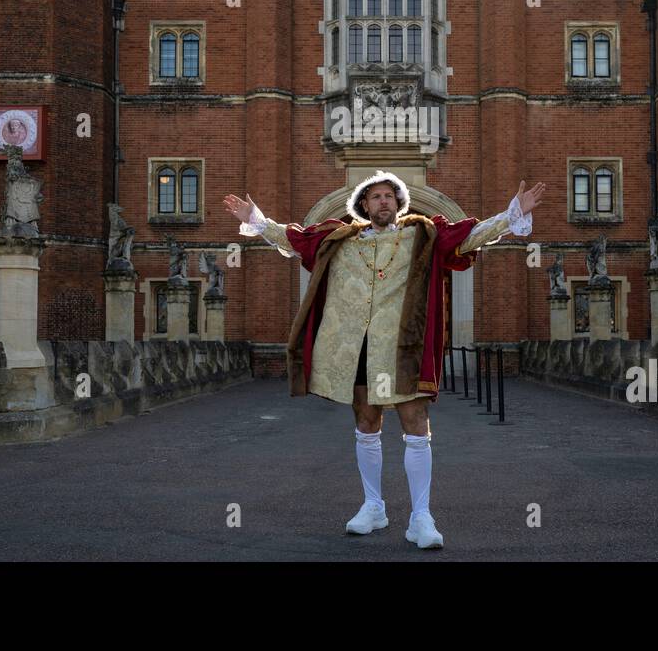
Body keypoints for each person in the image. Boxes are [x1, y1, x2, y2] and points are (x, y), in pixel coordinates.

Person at [224, 171, 545, 549]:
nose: (384, 202)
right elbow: (294, 240)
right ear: (363, 205)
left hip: (403, 347)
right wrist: (255, 219)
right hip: (357, 347)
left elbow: (470, 235)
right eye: (376, 197)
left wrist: (511, 215)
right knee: (366, 422)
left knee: (415, 423)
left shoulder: (423, 236)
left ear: (399, 203)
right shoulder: (338, 238)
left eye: (390, 196)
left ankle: (421, 517)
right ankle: (373, 507)